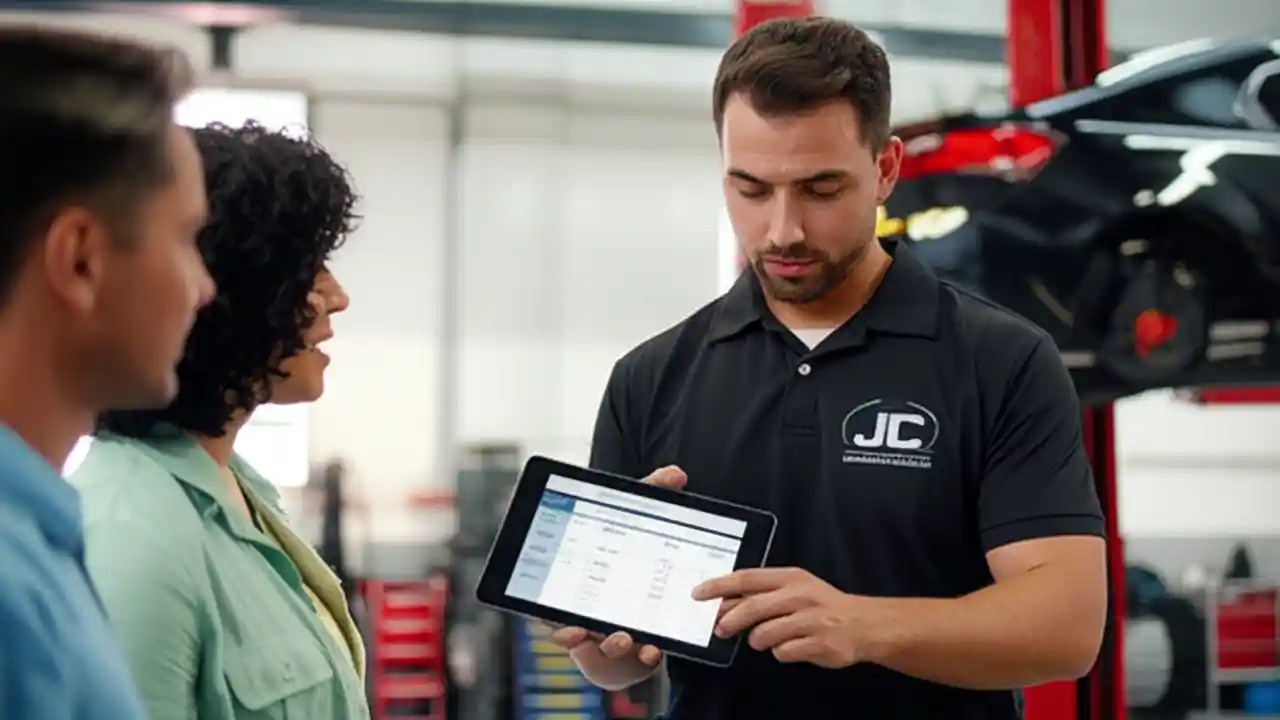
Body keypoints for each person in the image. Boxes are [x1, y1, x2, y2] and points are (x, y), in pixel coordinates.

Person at [550, 16, 1108, 719]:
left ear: (886, 170)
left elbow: (1065, 631)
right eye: (751, 190)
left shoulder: (1002, 362)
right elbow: (610, 665)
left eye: (820, 190)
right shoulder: (651, 376)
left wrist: (865, 627)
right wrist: (604, 639)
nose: (783, 229)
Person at [68, 122, 368, 720]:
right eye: (311, 266)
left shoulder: (238, 492)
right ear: (236, 292)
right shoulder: (131, 538)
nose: (338, 296)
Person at [0, 26, 213, 719]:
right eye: (184, 239)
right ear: (81, 259)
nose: (203, 287)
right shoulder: (10, 595)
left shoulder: (36, 540)